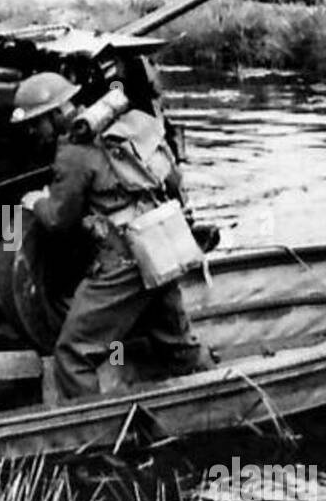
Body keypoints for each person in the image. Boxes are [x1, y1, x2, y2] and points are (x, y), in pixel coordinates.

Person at [15, 73, 214, 400]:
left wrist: (37, 201)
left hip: (126, 261)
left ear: (55, 114)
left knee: (73, 354)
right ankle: (216, 391)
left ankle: (96, 431)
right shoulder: (128, 124)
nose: (34, 132)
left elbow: (58, 220)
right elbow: (175, 182)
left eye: (36, 123)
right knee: (176, 344)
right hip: (164, 244)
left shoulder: (74, 152)